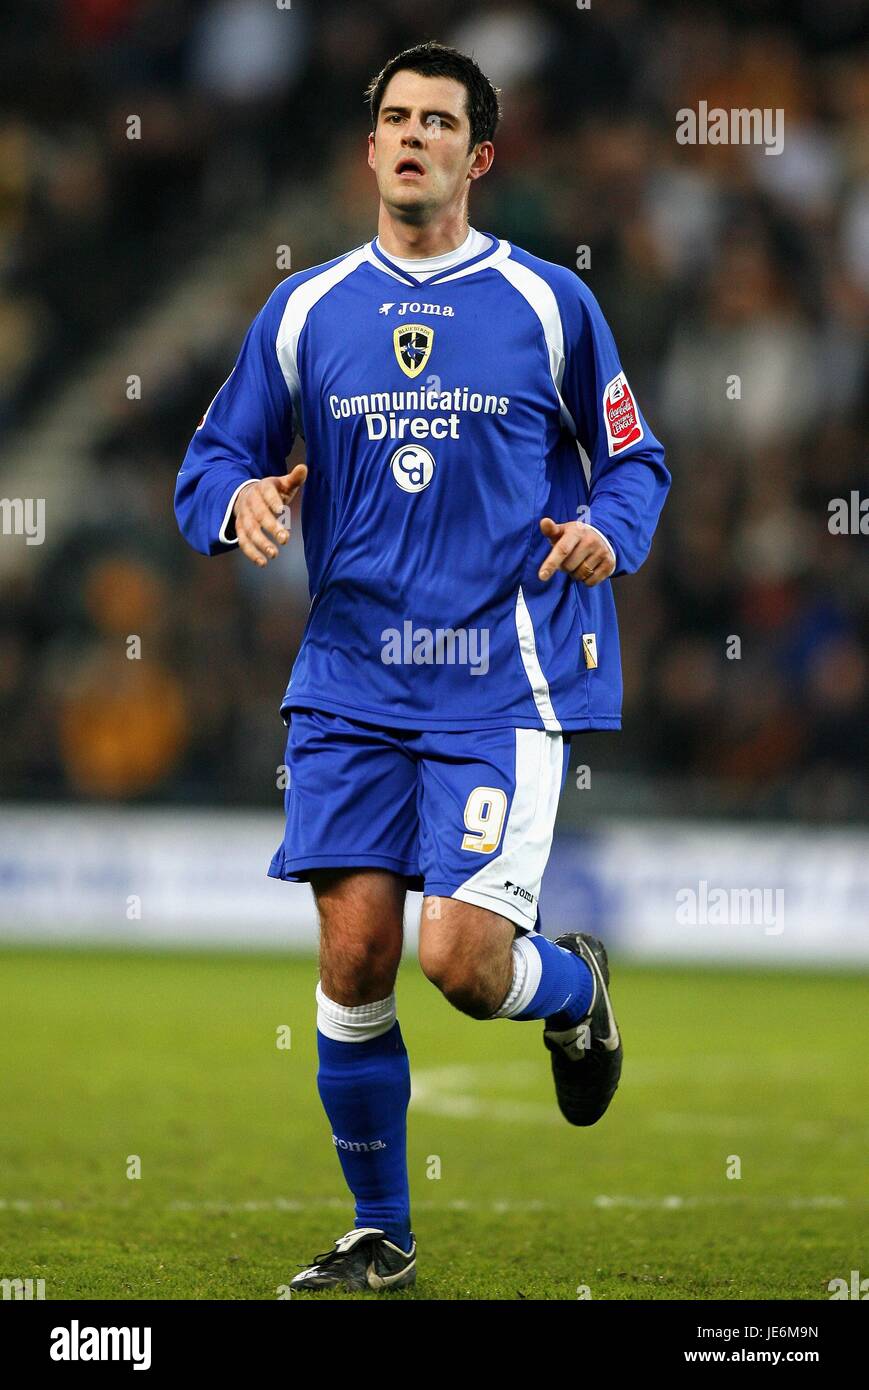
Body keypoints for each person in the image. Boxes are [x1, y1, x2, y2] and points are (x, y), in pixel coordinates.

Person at [175, 40, 670, 1294]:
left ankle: (569, 990)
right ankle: (380, 1233)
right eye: (392, 118)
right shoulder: (303, 309)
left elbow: (634, 460)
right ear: (367, 148)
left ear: (478, 155)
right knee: (352, 961)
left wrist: (607, 532)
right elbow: (207, 459)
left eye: (436, 123)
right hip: (348, 676)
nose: (410, 137)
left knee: (457, 959)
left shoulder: (549, 304)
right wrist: (238, 505)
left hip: (495, 677)